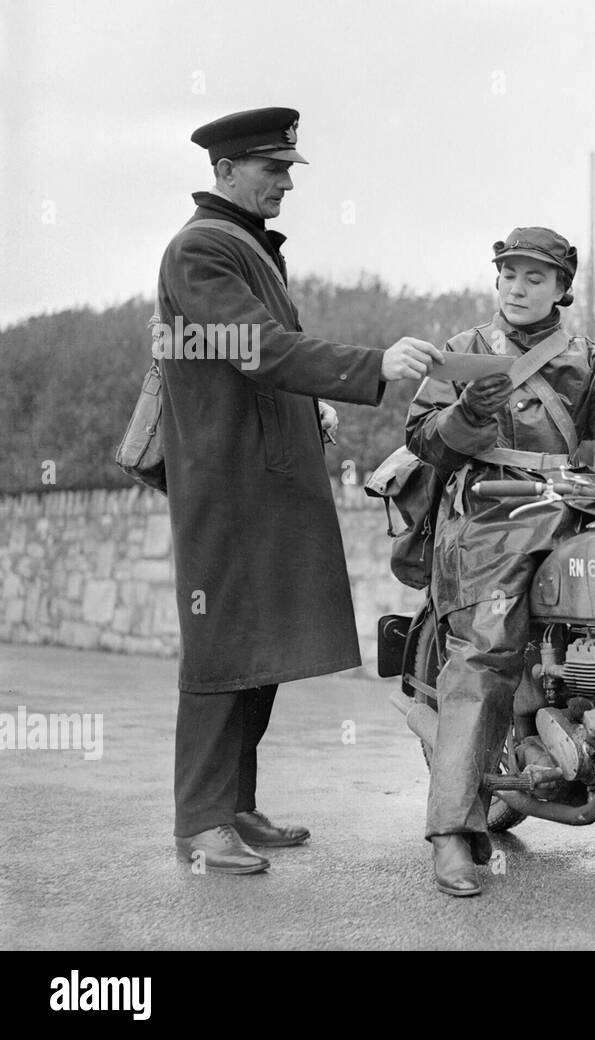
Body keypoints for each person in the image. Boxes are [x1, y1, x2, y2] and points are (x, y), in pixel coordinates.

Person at [160, 107, 442, 875]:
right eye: (272, 169)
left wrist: (309, 401)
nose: (286, 182)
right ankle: (201, 819)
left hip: (260, 480)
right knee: (222, 647)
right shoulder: (201, 250)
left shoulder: (245, 247)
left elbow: (255, 356)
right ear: (224, 173)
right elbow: (255, 347)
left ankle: (236, 804)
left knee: (260, 642)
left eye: (288, 169)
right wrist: (370, 367)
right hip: (226, 483)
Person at [405, 227, 595, 897]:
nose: (517, 285)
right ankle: (453, 831)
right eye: (508, 273)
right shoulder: (464, 351)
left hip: (570, 500)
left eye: (534, 277)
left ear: (562, 289)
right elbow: (424, 438)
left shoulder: (583, 358)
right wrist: (465, 415)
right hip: (488, 509)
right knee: (486, 648)